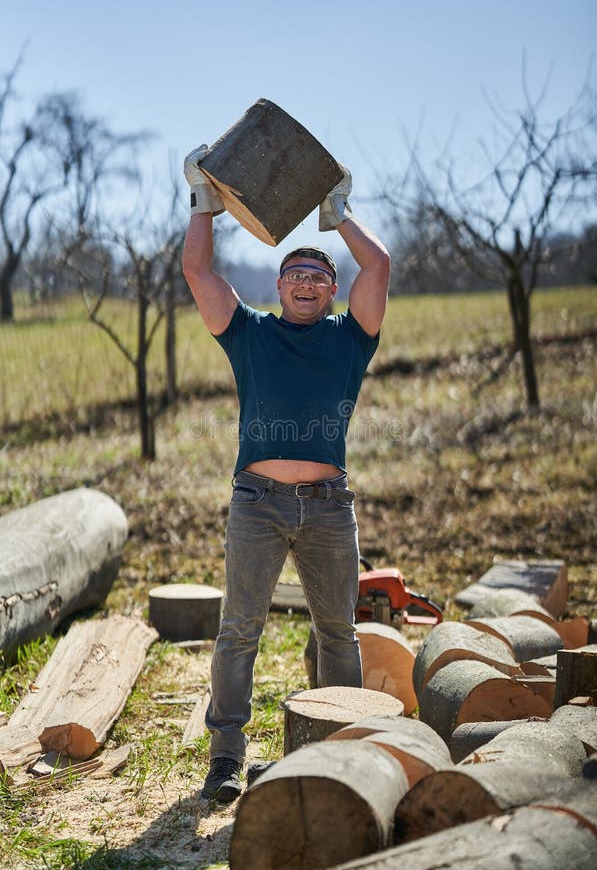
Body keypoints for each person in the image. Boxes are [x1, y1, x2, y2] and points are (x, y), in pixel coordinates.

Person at [182, 144, 391, 803]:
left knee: (337, 632)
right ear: (279, 286)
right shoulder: (249, 334)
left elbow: (379, 263)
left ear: (333, 290)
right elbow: (197, 270)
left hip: (330, 507)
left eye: (318, 276)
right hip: (258, 504)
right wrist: (204, 203)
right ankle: (225, 760)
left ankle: (338, 756)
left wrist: (339, 215)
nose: (305, 283)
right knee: (240, 629)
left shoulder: (350, 337)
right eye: (294, 273)